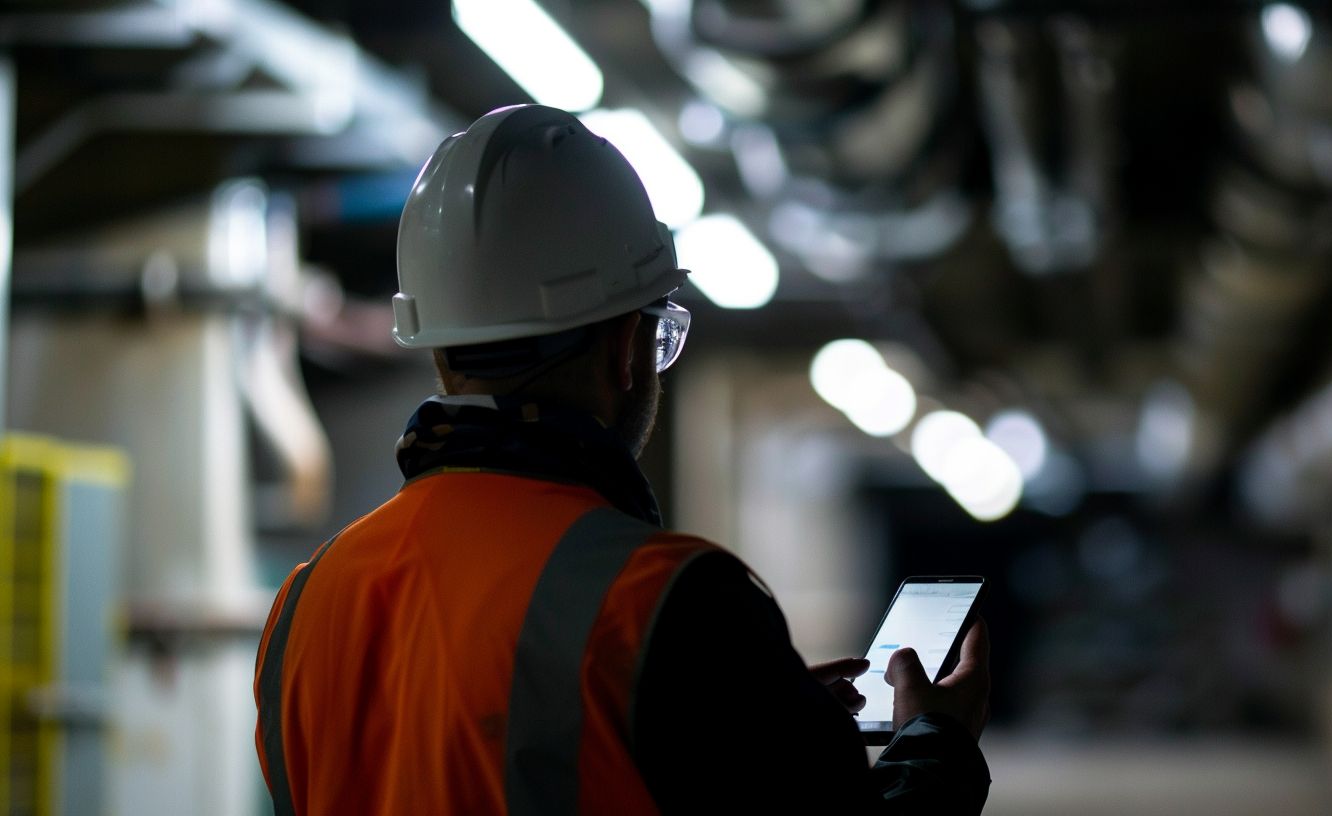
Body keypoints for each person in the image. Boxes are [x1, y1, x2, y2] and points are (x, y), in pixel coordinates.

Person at [254, 103, 991, 814]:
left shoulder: (304, 604)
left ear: (439, 350)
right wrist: (938, 743)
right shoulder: (667, 600)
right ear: (623, 351)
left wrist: (752, 721)